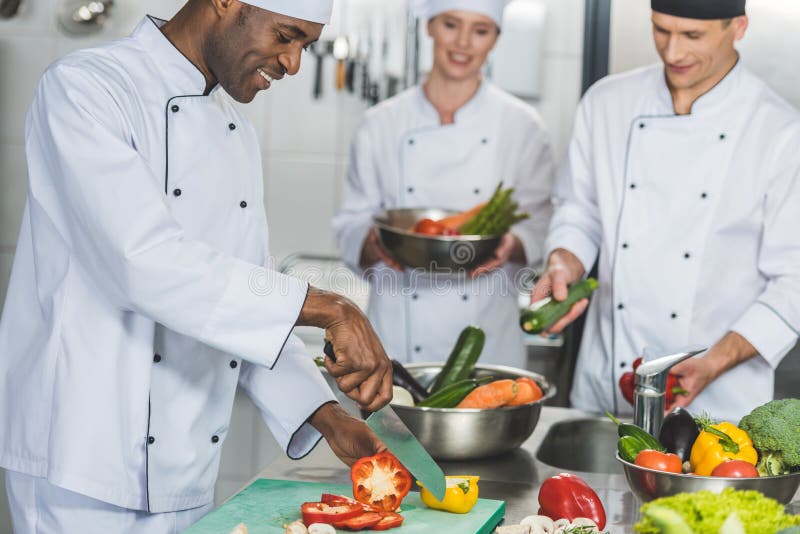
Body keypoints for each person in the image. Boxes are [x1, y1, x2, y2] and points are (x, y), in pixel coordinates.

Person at [0, 1, 394, 531]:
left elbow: (240, 300)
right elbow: (142, 261)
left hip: (185, 471)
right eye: (286, 35)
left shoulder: (236, 132)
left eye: (306, 45)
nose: (294, 64)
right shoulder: (86, 88)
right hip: (82, 466)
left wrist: (328, 418)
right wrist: (330, 307)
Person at [531, 0, 800, 422]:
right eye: (661, 30)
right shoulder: (606, 103)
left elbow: (793, 282)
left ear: (739, 27)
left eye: (692, 36)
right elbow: (579, 211)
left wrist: (713, 361)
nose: (672, 53)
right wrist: (566, 260)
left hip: (720, 407)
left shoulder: (781, 134)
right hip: (606, 388)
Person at [333, 0, 555, 369]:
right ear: (429, 27)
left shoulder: (523, 127)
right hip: (396, 344)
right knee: (390, 426)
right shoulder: (380, 124)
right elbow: (351, 225)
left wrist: (511, 244)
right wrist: (374, 242)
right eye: (451, 25)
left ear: (496, 38)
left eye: (480, 30)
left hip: (487, 346)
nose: (464, 43)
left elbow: (542, 226)